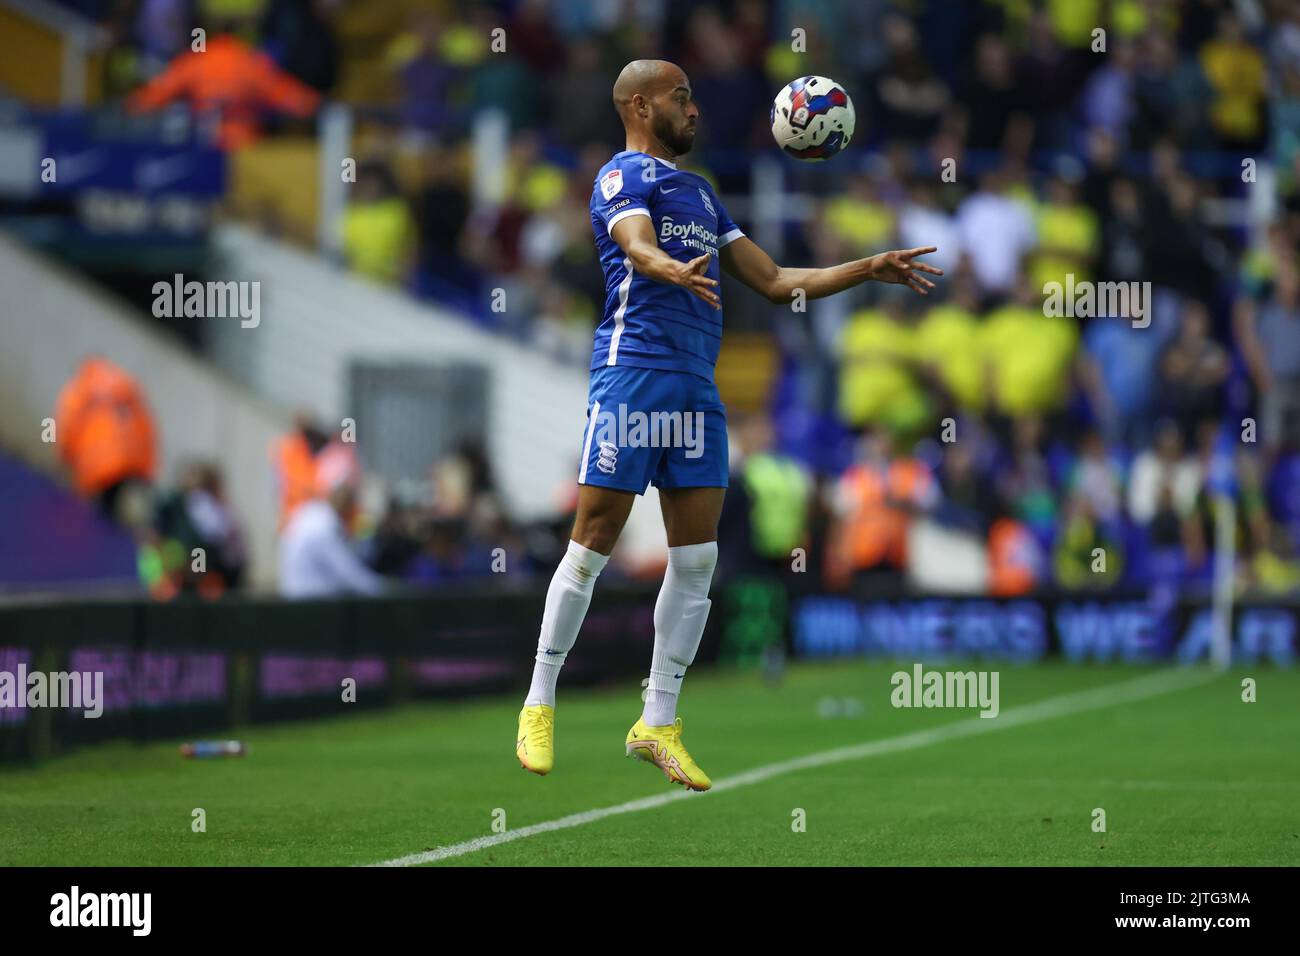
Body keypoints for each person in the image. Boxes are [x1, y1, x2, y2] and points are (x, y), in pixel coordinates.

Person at [515, 59, 942, 790]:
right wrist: (662, 267)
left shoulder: (705, 196)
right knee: (592, 541)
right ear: (641, 105)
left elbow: (776, 282)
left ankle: (658, 721)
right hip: (634, 376)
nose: (695, 110)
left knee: (698, 562)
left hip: (695, 391)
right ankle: (539, 699)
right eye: (683, 98)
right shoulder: (623, 175)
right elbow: (633, 241)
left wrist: (864, 267)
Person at [54, 356, 158, 522]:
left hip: (94, 459)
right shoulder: (129, 389)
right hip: (127, 464)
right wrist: (147, 470)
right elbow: (148, 431)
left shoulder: (81, 387)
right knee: (107, 513)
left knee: (81, 512)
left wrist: (63, 453)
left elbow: (68, 421)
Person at [278, 471, 383, 599]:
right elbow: (348, 572)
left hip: (301, 596)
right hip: (309, 601)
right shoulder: (322, 526)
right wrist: (381, 588)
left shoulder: (312, 513)